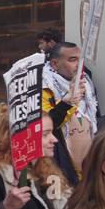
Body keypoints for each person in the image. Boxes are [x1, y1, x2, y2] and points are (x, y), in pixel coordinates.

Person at [43, 42, 98, 177]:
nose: (79, 65)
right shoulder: (44, 87)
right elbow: (50, 123)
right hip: (61, 167)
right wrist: (67, 102)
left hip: (88, 165)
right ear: (55, 64)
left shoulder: (86, 82)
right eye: (72, 60)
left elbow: (95, 117)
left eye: (80, 60)